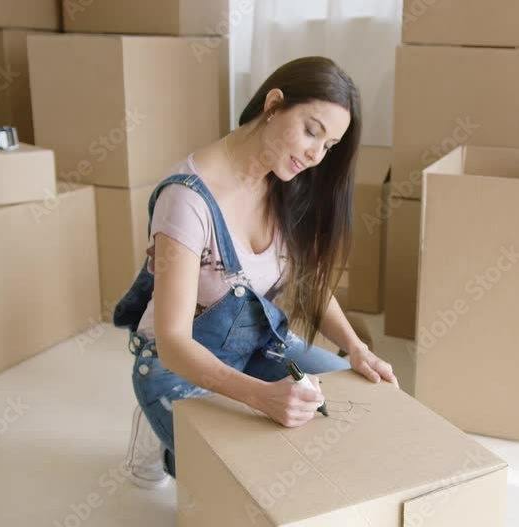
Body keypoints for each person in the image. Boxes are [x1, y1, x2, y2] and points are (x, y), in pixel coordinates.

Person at [112, 56, 399, 489]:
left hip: (260, 347)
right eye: (311, 131)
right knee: (252, 483)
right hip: (178, 367)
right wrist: (262, 398)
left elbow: (307, 284)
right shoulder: (187, 199)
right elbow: (172, 343)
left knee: (352, 399)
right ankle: (162, 440)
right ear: (274, 104)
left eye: (329, 146)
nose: (315, 155)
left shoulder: (284, 181)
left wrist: (356, 348)